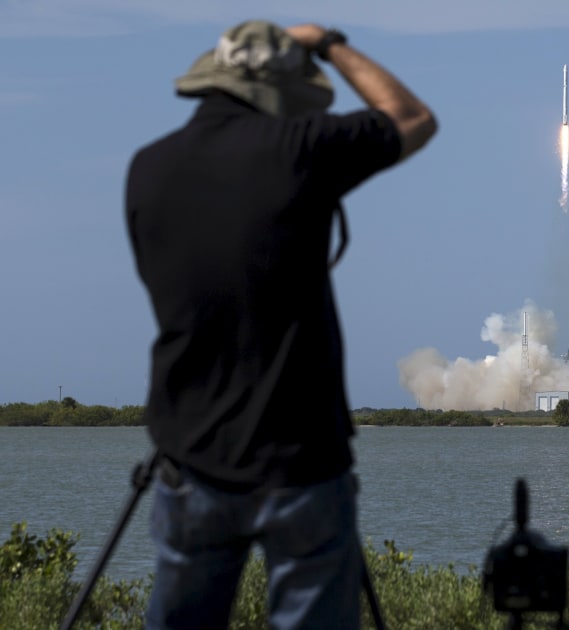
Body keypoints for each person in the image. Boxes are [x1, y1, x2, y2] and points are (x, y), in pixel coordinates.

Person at [124, 20, 437, 629]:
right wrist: (329, 43)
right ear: (282, 93)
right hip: (302, 464)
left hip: (189, 458)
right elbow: (412, 118)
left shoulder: (148, 168)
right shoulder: (301, 148)